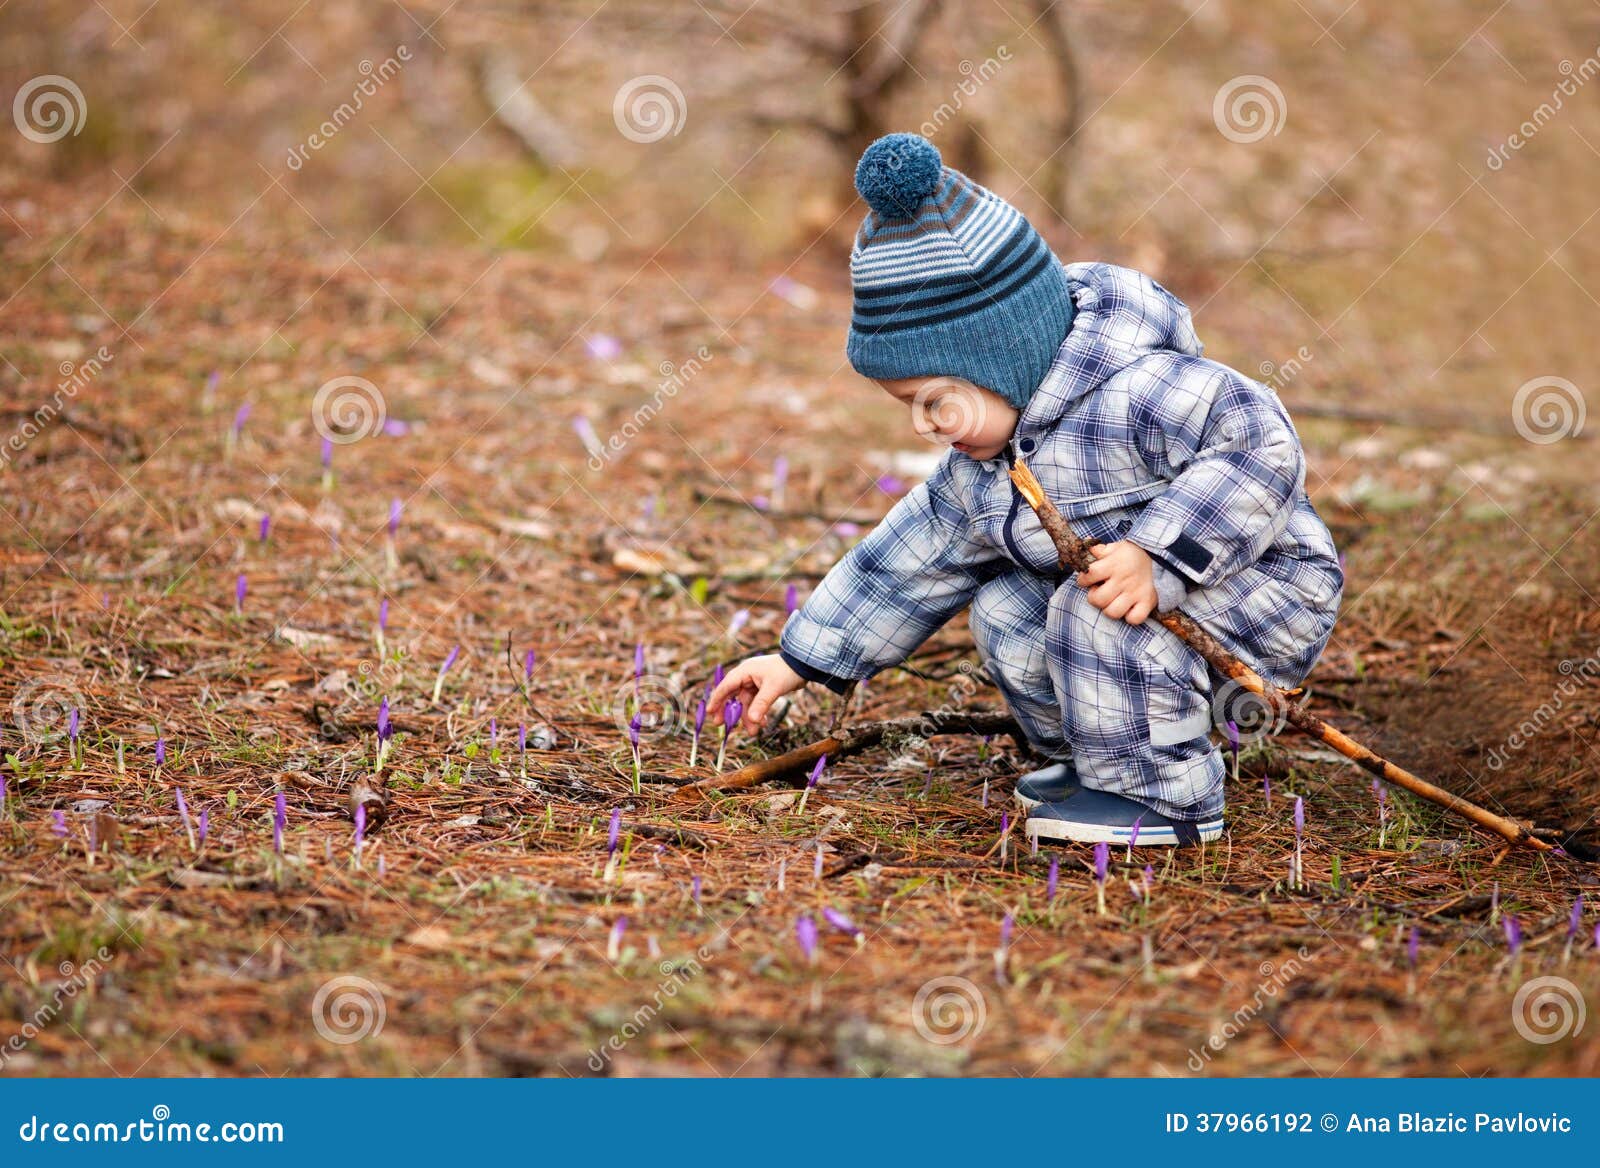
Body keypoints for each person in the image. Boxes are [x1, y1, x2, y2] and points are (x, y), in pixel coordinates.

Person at [706, 133, 1341, 847]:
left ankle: (1165, 797)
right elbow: (907, 562)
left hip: (1266, 587)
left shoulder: (1139, 389)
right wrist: (799, 661)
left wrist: (1159, 558)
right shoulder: (986, 466)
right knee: (1006, 609)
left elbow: (1262, 443)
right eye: (907, 404)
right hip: (1148, 619)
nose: (927, 424)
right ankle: (1101, 756)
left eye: (938, 397)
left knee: (1094, 610)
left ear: (1008, 354)